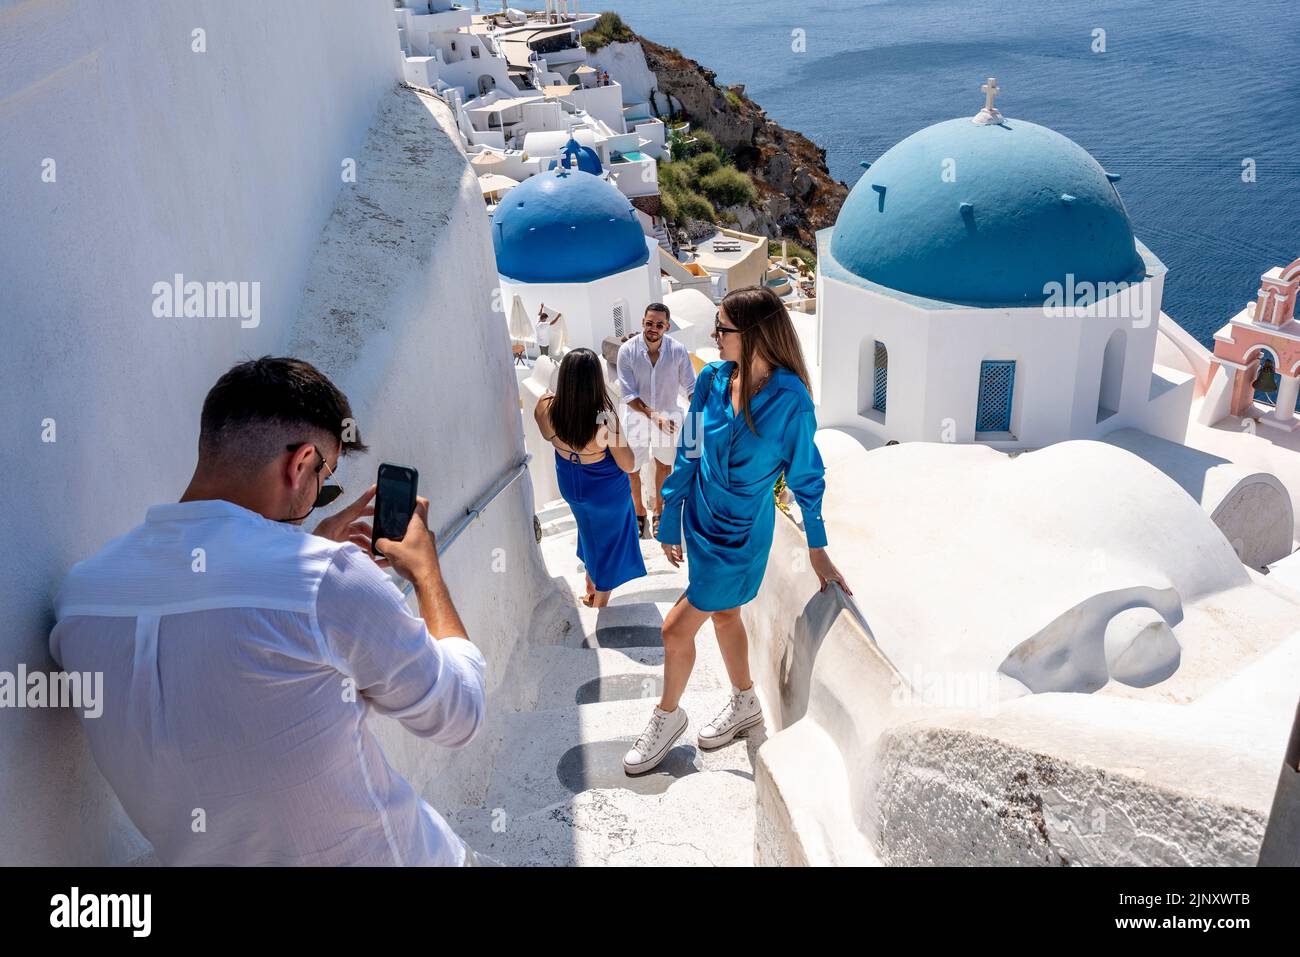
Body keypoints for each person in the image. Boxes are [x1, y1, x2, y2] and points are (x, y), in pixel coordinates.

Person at [49, 356, 491, 866]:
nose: (316, 501)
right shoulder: (327, 580)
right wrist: (426, 574)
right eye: (322, 485)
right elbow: (460, 714)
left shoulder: (81, 597)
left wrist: (304, 552)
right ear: (300, 463)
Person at [623, 287, 851, 775]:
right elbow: (688, 449)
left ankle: (667, 716)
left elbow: (808, 480)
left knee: (673, 629)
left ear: (751, 334)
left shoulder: (792, 402)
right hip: (701, 519)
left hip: (744, 534)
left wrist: (817, 550)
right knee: (725, 616)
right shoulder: (711, 378)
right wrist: (672, 510)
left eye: (722, 327)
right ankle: (746, 701)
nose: (714, 335)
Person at [535, 348, 647, 607]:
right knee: (611, 543)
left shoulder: (544, 406)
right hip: (604, 493)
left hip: (571, 485)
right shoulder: (604, 419)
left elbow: (546, 434)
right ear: (595, 381)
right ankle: (600, 601)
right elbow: (628, 463)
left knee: (588, 529)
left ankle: (590, 582)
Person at [617, 302, 696, 538]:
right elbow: (628, 394)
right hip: (636, 417)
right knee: (632, 467)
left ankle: (659, 512)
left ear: (667, 327)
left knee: (664, 465)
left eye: (659, 324)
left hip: (669, 417)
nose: (653, 328)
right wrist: (654, 416)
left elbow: (690, 386)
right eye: (649, 323)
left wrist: (703, 406)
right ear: (642, 322)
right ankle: (639, 510)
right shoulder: (627, 351)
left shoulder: (678, 350)